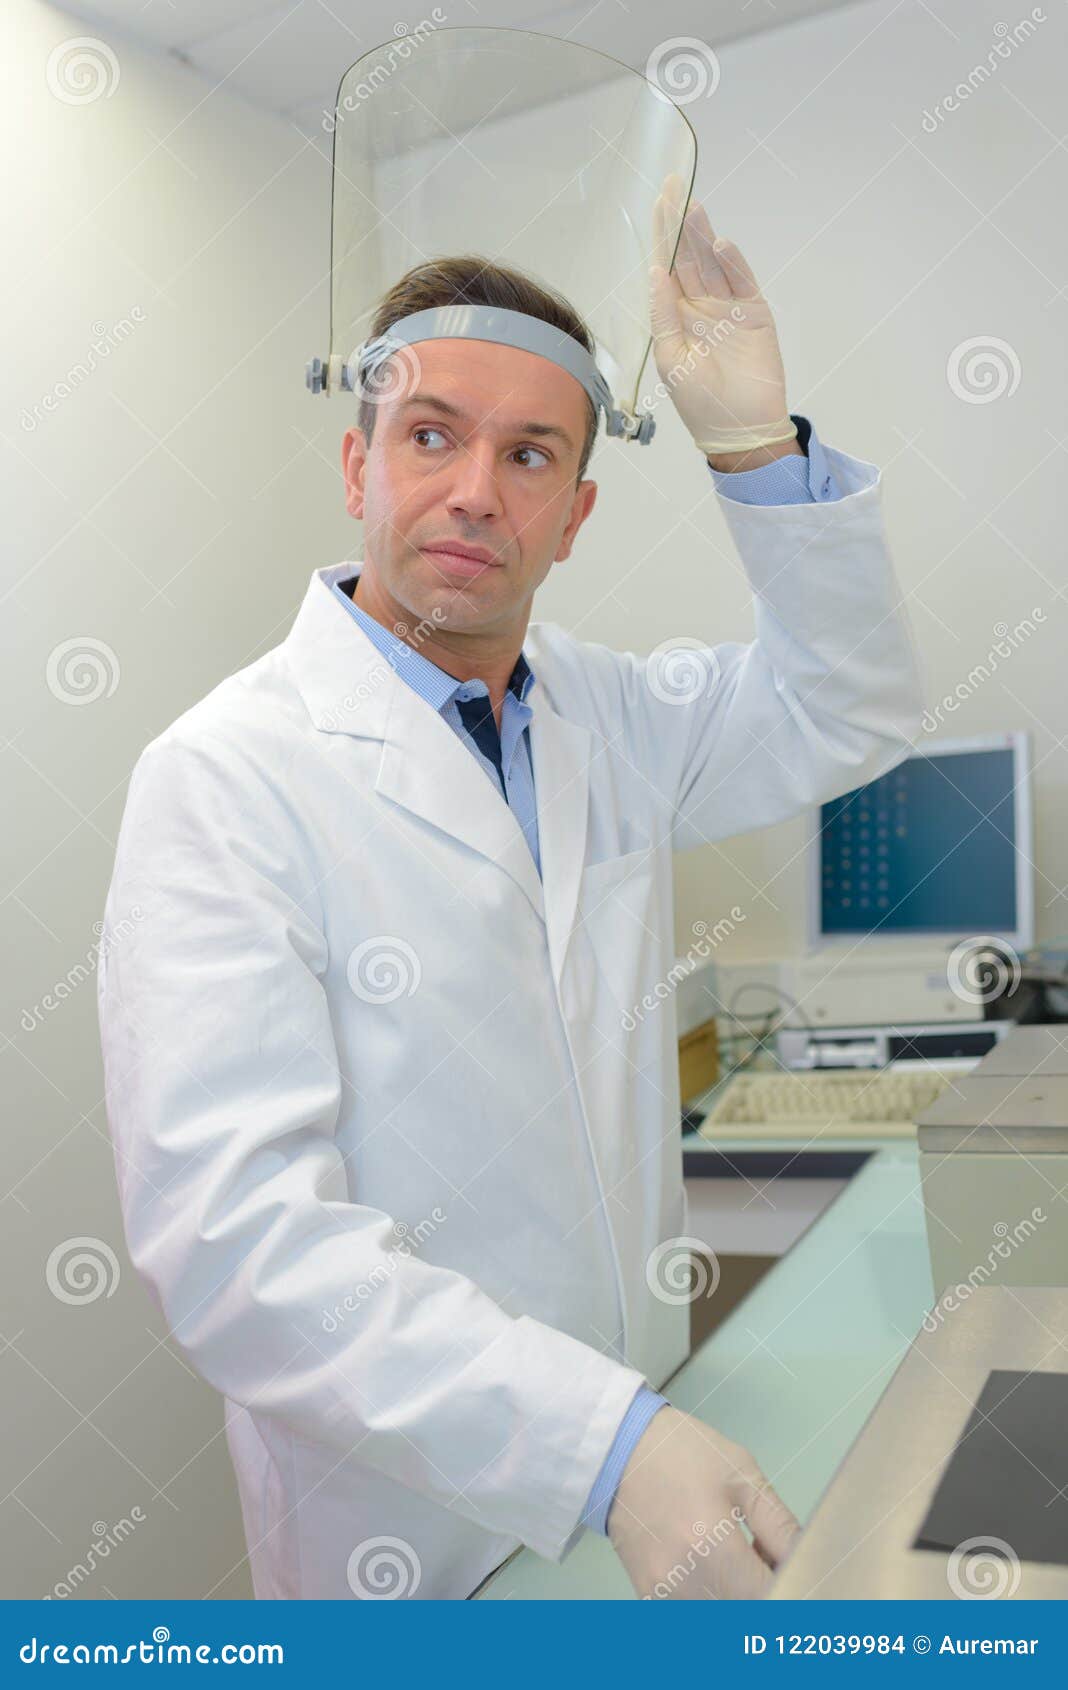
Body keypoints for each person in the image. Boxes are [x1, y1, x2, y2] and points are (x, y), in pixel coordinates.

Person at [97, 195, 924, 1601]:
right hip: (416, 1531)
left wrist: (750, 440)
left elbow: (850, 708)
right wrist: (601, 1444)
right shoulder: (226, 777)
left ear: (576, 513)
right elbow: (239, 1248)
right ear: (360, 459)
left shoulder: (612, 715)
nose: (477, 488)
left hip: (648, 1463)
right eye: (432, 435)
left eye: (530, 452)